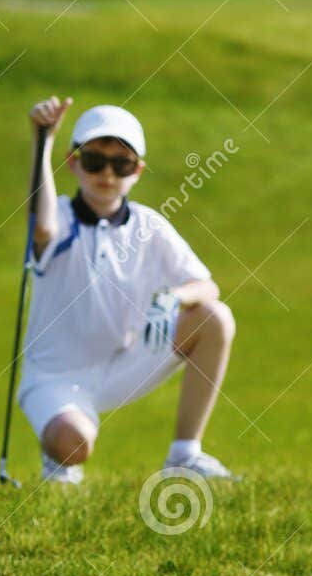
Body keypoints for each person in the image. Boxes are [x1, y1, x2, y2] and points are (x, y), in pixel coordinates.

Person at [18, 97, 238, 485]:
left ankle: (185, 455)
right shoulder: (61, 218)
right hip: (54, 376)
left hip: (124, 363)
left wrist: (175, 298)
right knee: (74, 445)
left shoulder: (149, 226)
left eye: (120, 164)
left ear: (137, 170)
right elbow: (41, 226)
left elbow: (206, 285)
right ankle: (59, 453)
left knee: (215, 317)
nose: (106, 173)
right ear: (73, 163)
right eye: (94, 161)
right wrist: (43, 140)